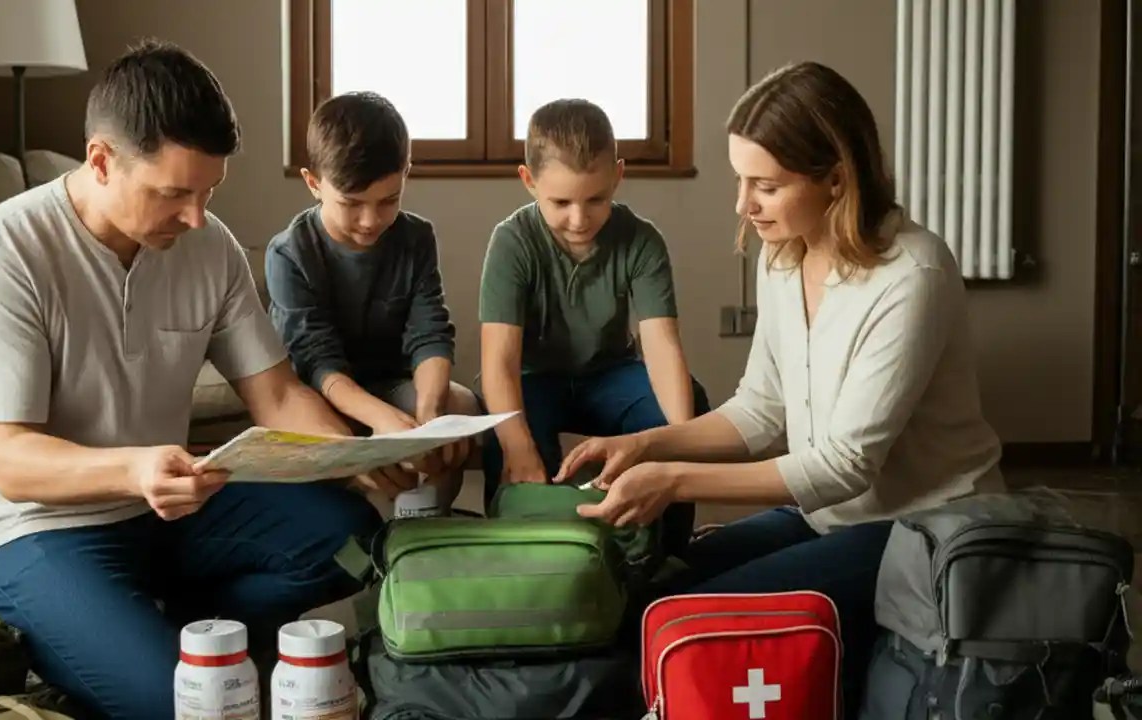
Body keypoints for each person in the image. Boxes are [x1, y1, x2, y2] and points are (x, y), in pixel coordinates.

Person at [0, 41, 409, 719]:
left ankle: (176, 634)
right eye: (173, 193)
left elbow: (274, 394)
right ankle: (130, 653)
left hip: (165, 508)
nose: (195, 216)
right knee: (187, 702)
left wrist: (358, 459)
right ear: (101, 161)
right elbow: (10, 461)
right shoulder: (3, 254)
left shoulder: (208, 246)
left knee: (355, 541)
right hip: (23, 530)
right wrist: (135, 471)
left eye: (207, 190)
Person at [559, 62, 1005, 714]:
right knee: (649, 593)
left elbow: (847, 464)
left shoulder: (914, 275)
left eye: (765, 185)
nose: (743, 204)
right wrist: (646, 446)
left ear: (835, 178)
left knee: (695, 617)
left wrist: (675, 481)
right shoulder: (784, 251)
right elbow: (762, 409)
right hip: (827, 516)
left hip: (924, 532)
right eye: (741, 180)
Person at [478, 98, 709, 546]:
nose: (579, 219)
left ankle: (669, 555)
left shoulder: (641, 240)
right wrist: (517, 445)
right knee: (502, 428)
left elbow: (661, 347)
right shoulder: (511, 241)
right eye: (561, 202)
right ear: (528, 181)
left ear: (618, 176)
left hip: (609, 374)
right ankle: (517, 550)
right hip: (533, 377)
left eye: (596, 199)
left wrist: (678, 446)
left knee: (686, 405)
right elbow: (499, 360)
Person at [266, 91, 480, 514]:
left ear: (406, 175)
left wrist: (431, 413)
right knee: (331, 454)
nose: (370, 221)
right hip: (320, 396)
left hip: (391, 382)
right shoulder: (289, 253)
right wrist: (382, 420)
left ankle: (423, 518)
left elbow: (430, 332)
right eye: (351, 204)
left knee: (459, 406)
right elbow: (316, 362)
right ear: (314, 183)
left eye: (388, 201)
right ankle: (358, 514)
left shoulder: (416, 238)